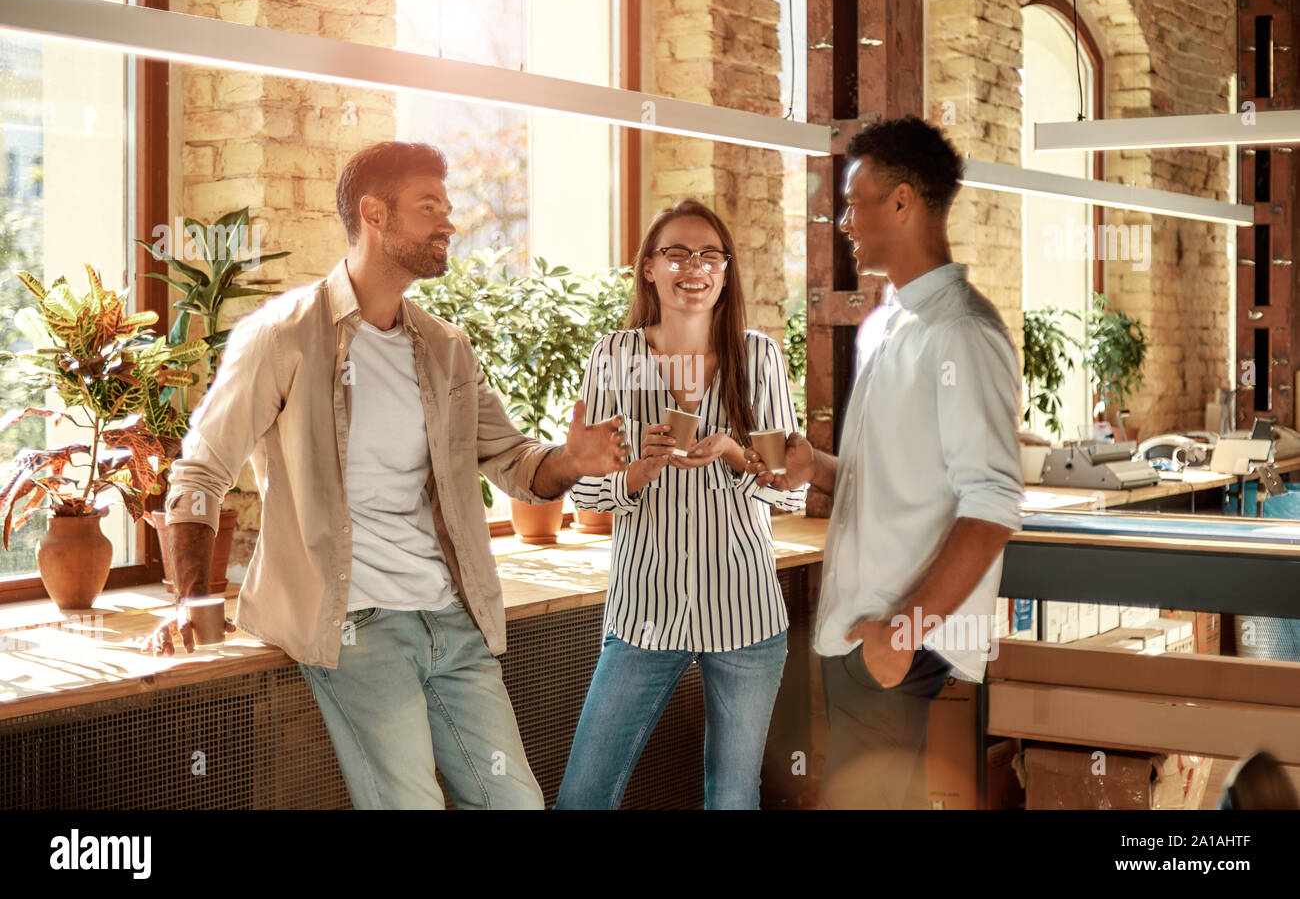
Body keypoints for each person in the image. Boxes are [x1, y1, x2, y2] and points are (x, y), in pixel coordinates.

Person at [142, 141, 629, 809]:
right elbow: (200, 471)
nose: (449, 222)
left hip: (452, 622)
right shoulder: (283, 335)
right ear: (375, 213)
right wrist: (193, 602)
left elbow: (512, 460)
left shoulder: (446, 348)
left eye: (449, 207)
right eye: (430, 206)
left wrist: (575, 461)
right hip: (356, 628)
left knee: (516, 802)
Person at [747, 116, 1023, 809]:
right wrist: (820, 467)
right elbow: (900, 479)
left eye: (853, 201)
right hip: (861, 632)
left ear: (901, 202)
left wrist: (900, 635)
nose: (842, 221)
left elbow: (990, 507)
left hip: (893, 635)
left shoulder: (963, 333)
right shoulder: (891, 324)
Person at [555, 198, 807, 810]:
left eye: (709, 255)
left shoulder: (759, 358)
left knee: (732, 798)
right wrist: (636, 474)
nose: (694, 266)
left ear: (725, 272)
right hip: (645, 611)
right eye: (676, 253)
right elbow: (583, 486)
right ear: (648, 268)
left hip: (744, 613)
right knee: (583, 795)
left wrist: (732, 455)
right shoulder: (614, 357)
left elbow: (788, 485)